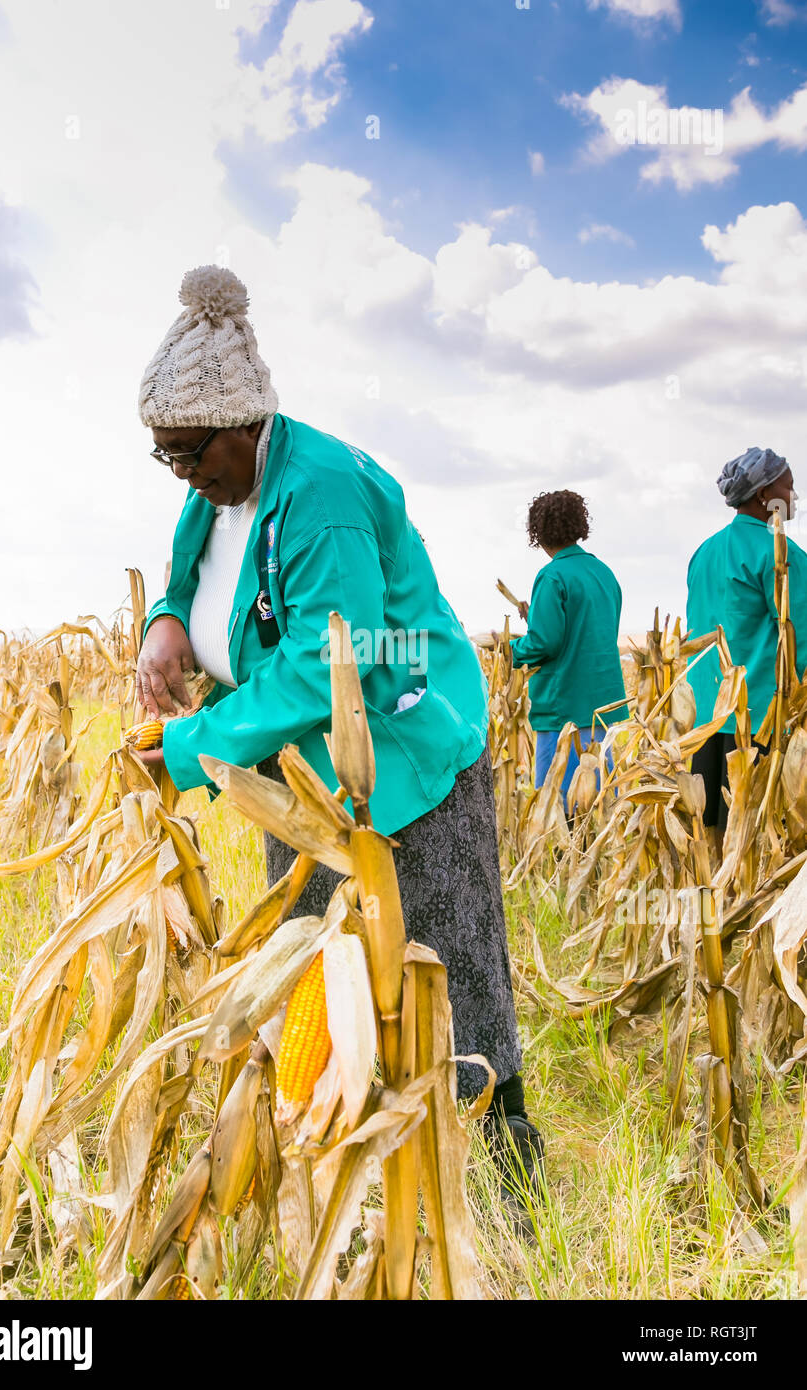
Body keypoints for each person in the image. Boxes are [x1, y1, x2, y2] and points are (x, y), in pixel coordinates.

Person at [133, 265, 543, 1210]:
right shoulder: (217, 490)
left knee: (445, 968)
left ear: (245, 425)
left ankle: (502, 1173)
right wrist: (163, 620)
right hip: (300, 778)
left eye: (190, 455)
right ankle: (348, 1168)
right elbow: (192, 579)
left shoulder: (321, 498)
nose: (182, 476)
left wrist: (194, 745)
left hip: (397, 761)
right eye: (166, 458)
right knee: (326, 968)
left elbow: (329, 670)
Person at [687, 447, 807, 843]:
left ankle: (716, 905)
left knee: (714, 837)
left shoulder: (703, 553)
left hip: (709, 716)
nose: (794, 496)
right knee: (760, 836)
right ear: (762, 495)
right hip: (762, 721)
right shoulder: (782, 554)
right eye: (788, 486)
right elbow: (800, 640)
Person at [508, 490, 628, 811]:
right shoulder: (604, 573)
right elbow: (588, 631)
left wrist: (509, 650)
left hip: (564, 713)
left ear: (539, 532)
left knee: (558, 814)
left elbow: (544, 642)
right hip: (604, 708)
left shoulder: (552, 576)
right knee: (598, 809)